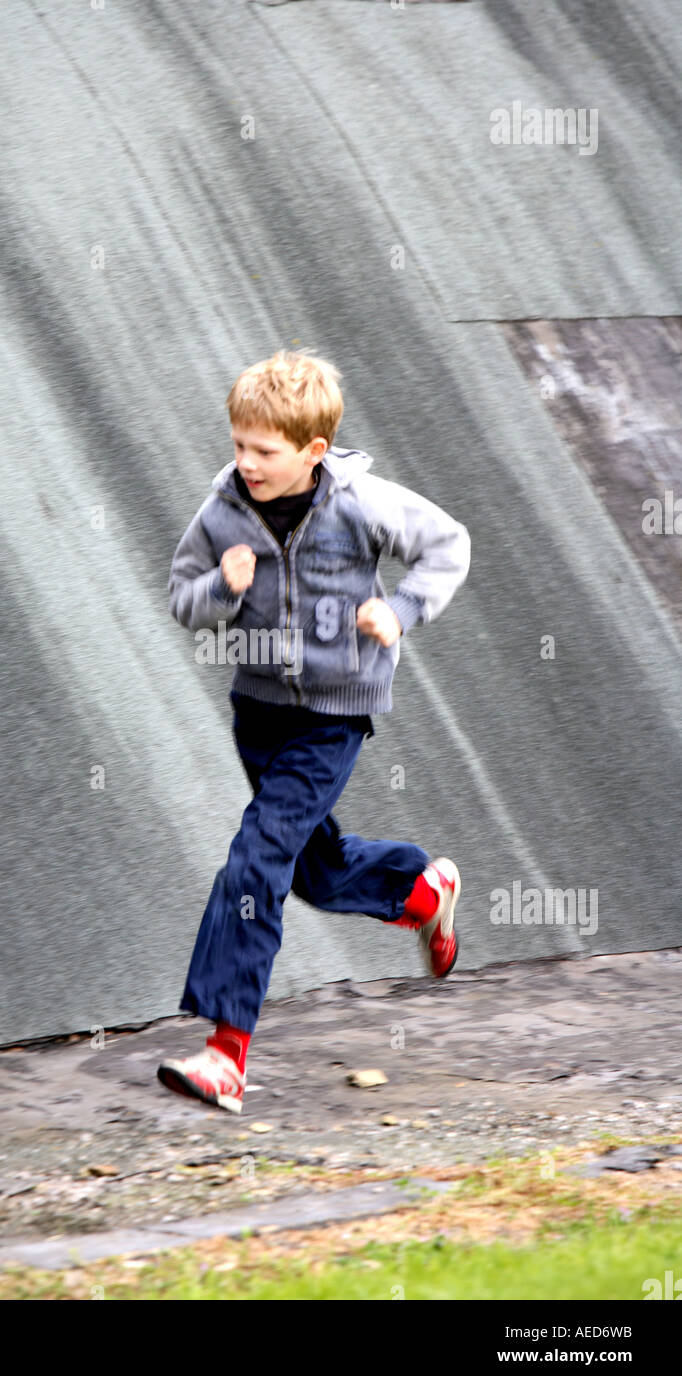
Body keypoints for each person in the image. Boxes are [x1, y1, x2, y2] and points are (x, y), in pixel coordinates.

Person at [158, 349, 471, 1114]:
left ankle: (226, 1054)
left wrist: (396, 614)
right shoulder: (223, 512)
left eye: (264, 452)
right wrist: (219, 589)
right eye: (239, 445)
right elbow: (180, 599)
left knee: (255, 859)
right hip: (259, 711)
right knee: (310, 870)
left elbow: (447, 545)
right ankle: (418, 891)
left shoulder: (361, 504)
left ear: (313, 451)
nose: (247, 463)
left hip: (334, 715)